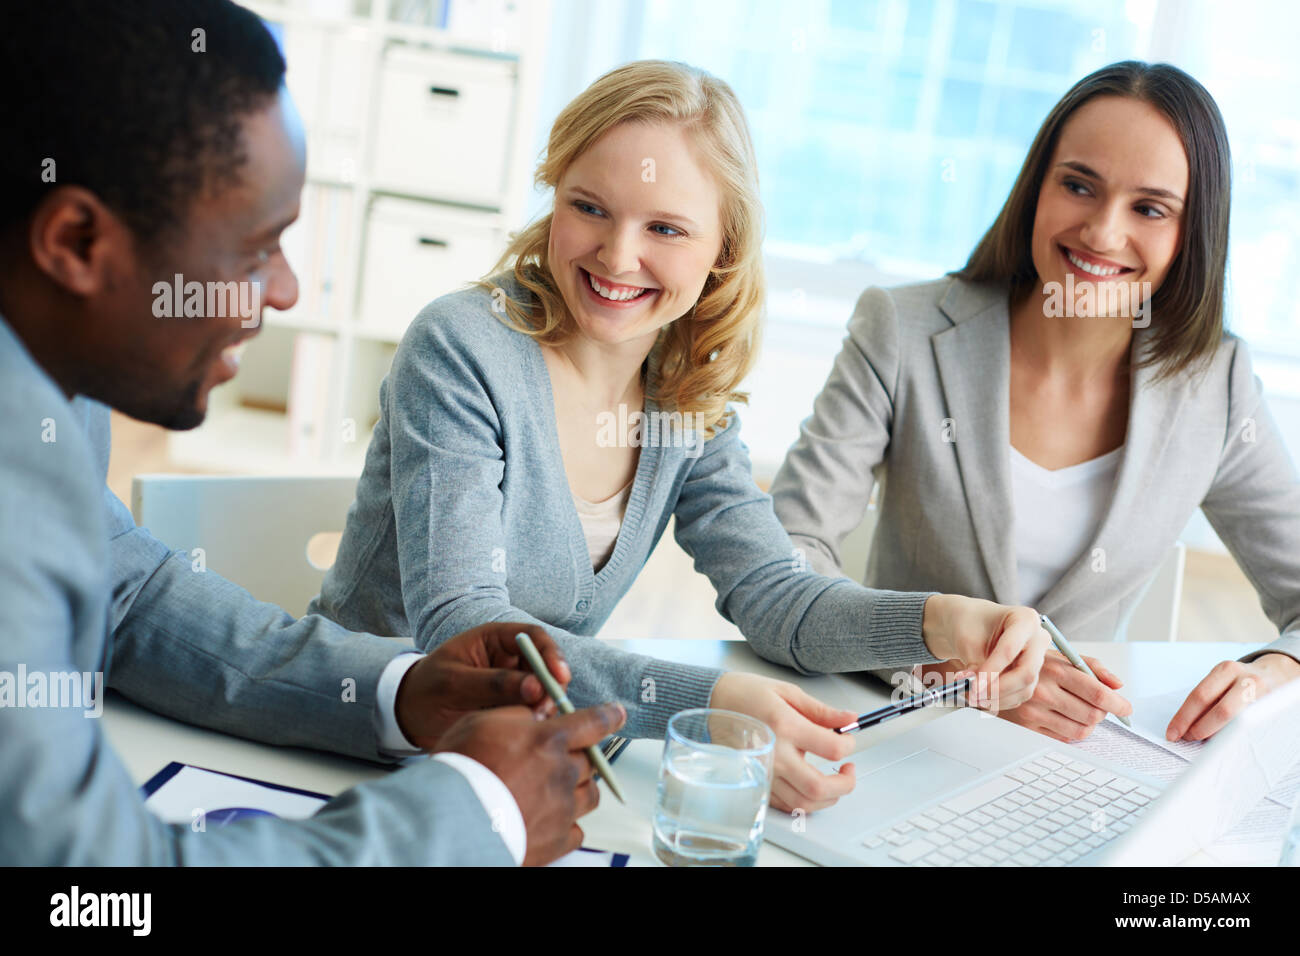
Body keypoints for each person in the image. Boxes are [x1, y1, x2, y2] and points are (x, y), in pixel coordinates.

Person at [310, 59, 1050, 815]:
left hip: (527, 764)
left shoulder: (686, 390)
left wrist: (942, 621)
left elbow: (774, 596)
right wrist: (714, 707)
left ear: (723, 250)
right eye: (589, 207)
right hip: (358, 746)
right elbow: (463, 626)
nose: (618, 255)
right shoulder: (462, 347)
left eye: (665, 227)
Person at [0, 0, 624, 866]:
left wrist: (398, 692)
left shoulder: (41, 374)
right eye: (258, 249)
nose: (286, 291)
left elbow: (124, 591)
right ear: (74, 240)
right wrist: (479, 814)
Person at [770, 60, 1300, 746]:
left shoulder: (1216, 385)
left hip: (1081, 769)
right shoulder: (902, 332)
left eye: (1149, 208)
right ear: (1036, 188)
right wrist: (947, 673)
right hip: (905, 737)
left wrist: (1273, 673)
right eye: (1079, 185)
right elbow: (782, 562)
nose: (1103, 234)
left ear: (1191, 231)